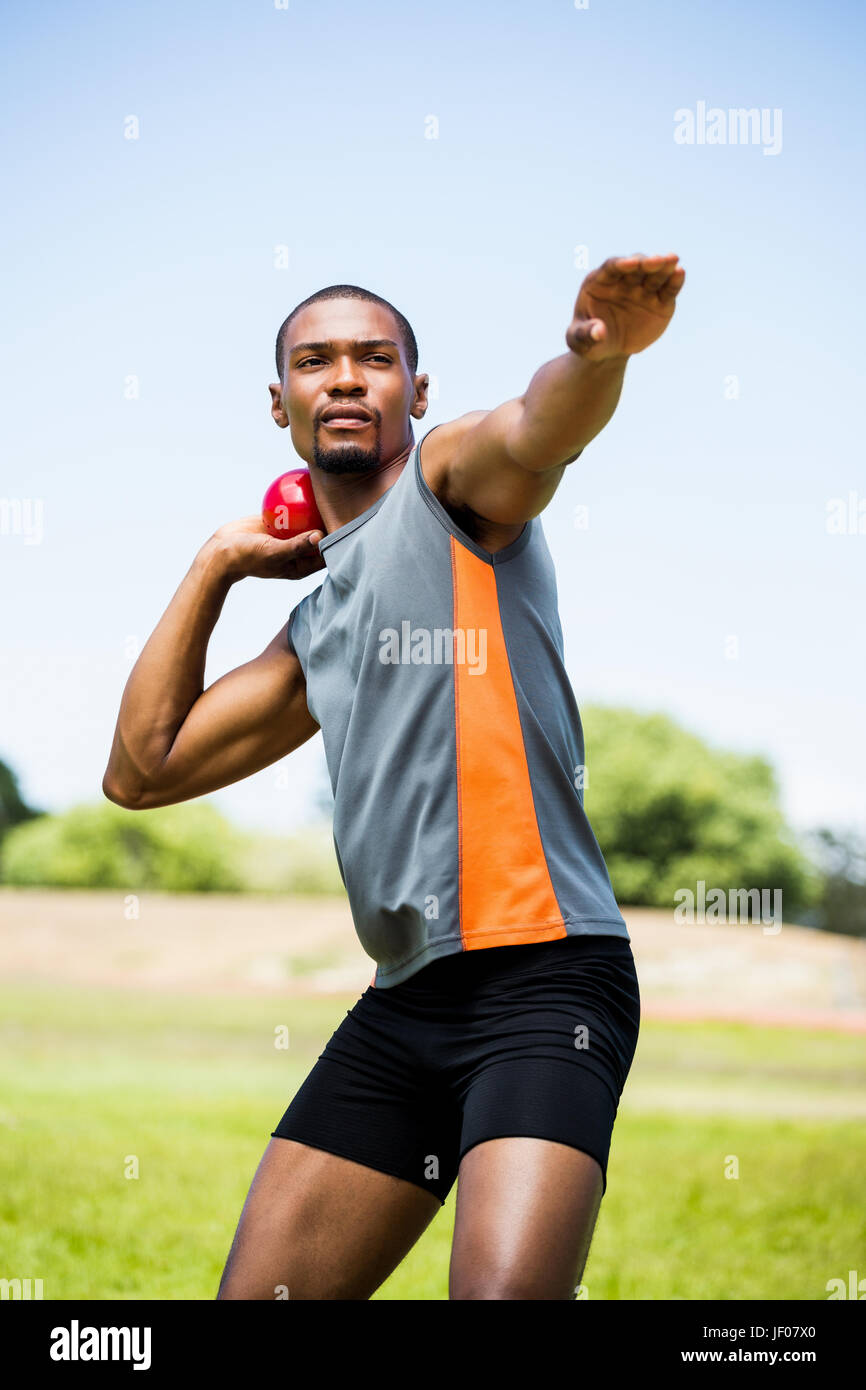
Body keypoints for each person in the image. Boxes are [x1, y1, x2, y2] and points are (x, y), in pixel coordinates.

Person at [102, 252, 685, 1300]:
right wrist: (215, 563)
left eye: (374, 359)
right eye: (314, 361)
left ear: (413, 394)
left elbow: (536, 431)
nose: (343, 377)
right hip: (401, 1005)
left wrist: (593, 357)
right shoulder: (312, 630)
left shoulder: (451, 484)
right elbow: (142, 770)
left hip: (544, 981)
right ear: (279, 402)